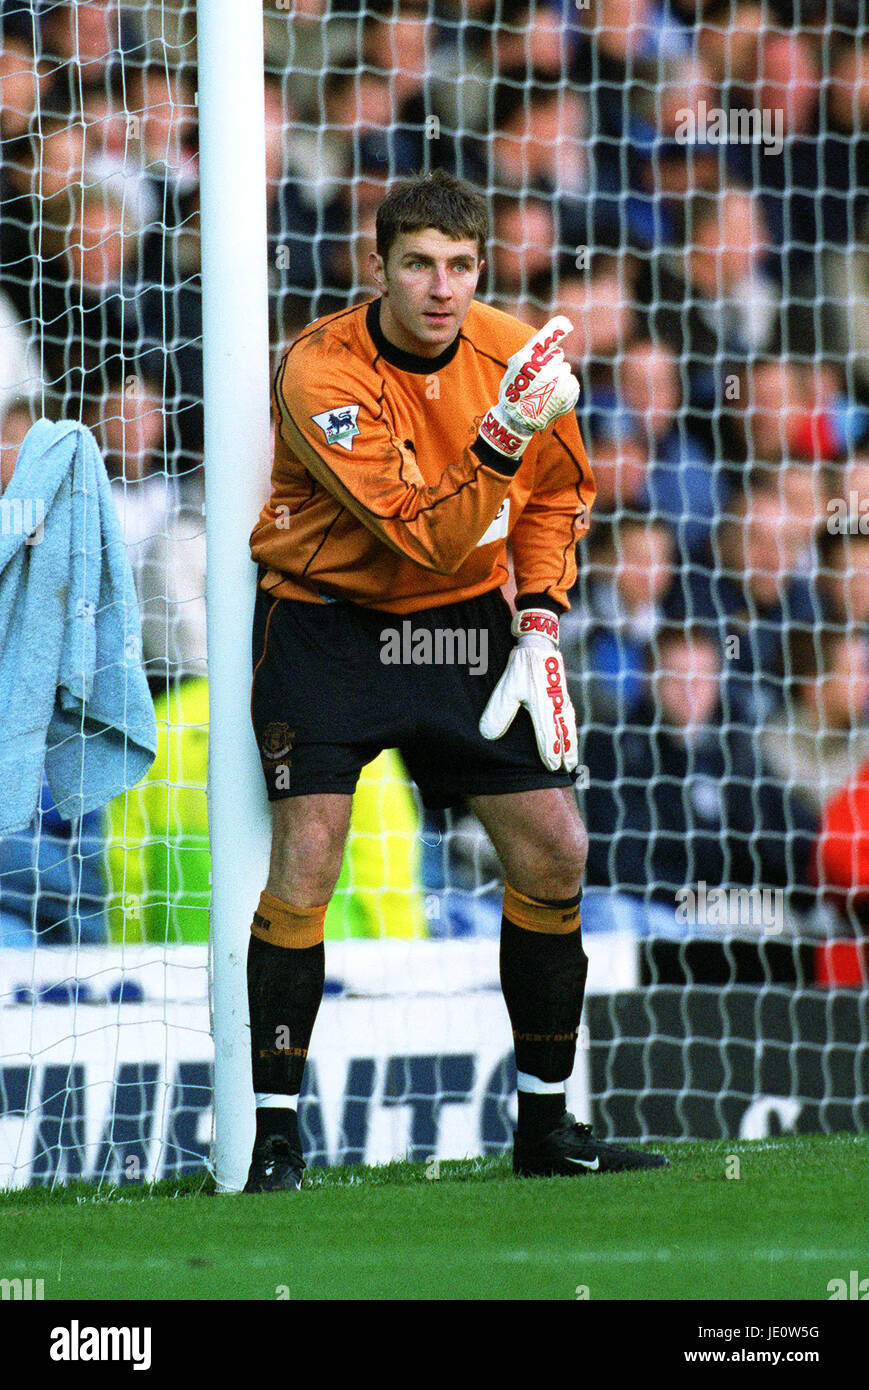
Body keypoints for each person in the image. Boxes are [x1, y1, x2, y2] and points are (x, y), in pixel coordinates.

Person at [243, 169, 667, 1189]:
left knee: (556, 849)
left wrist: (537, 617)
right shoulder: (318, 372)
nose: (441, 288)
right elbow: (424, 536)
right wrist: (501, 434)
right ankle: (274, 1143)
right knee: (308, 857)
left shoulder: (511, 355)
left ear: (482, 268)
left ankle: (543, 1130)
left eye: (461, 267)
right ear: (376, 266)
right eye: (419, 264)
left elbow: (559, 493)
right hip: (326, 625)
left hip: (467, 627)